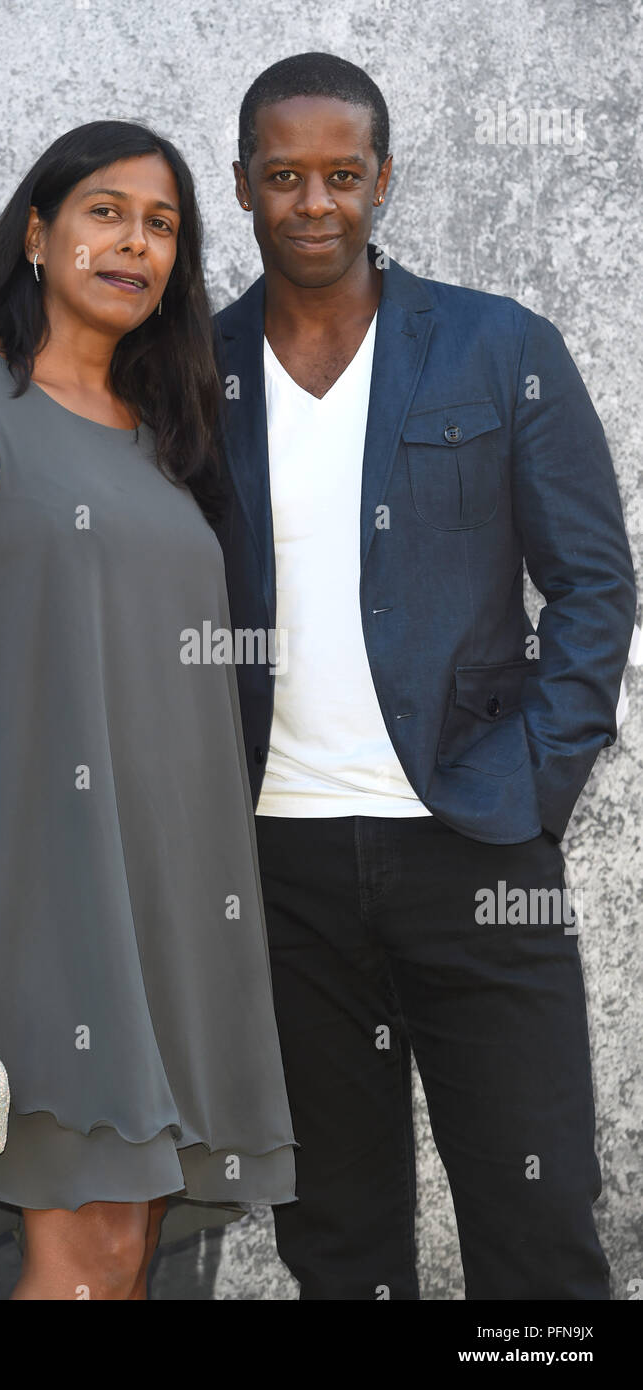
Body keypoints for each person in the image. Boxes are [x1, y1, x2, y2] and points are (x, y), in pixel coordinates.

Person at [211, 52, 637, 1299]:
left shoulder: (497, 345)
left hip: (472, 850)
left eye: (340, 175)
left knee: (537, 1220)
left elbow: (593, 586)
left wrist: (534, 781)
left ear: (382, 180)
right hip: (277, 870)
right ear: (241, 186)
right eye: (282, 176)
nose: (312, 203)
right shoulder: (192, 363)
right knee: (337, 1240)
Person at [0, 119, 296, 1301]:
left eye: (162, 226)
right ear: (39, 232)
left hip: (177, 893)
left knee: (128, 1245)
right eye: (106, 211)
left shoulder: (169, 442)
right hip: (45, 890)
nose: (135, 243)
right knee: (82, 1243)